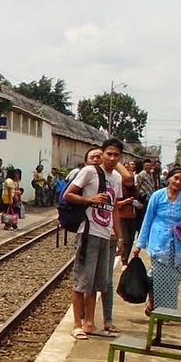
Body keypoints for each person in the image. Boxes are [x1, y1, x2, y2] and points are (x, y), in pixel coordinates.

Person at [63, 138, 123, 339]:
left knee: (98, 282)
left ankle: (90, 322)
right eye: (109, 154)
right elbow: (68, 195)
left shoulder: (116, 178)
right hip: (88, 232)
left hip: (105, 235)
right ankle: (77, 324)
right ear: (103, 153)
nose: (112, 158)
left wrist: (119, 237)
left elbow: (114, 208)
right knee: (82, 281)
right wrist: (91, 199)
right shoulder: (89, 172)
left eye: (116, 155)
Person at [132, 166, 181, 314]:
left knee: (173, 278)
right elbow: (147, 219)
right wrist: (139, 244)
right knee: (159, 277)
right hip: (158, 243)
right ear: (169, 178)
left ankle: (168, 311)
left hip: (177, 244)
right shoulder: (157, 196)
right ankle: (159, 311)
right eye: (176, 178)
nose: (178, 182)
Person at [116, 162, 139, 265]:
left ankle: (126, 258)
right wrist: (126, 202)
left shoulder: (136, 191)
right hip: (122, 217)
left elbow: (142, 205)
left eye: (131, 180)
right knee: (125, 240)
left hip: (133, 217)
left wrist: (138, 204)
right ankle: (124, 260)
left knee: (130, 240)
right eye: (128, 180)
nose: (130, 182)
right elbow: (116, 204)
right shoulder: (120, 190)